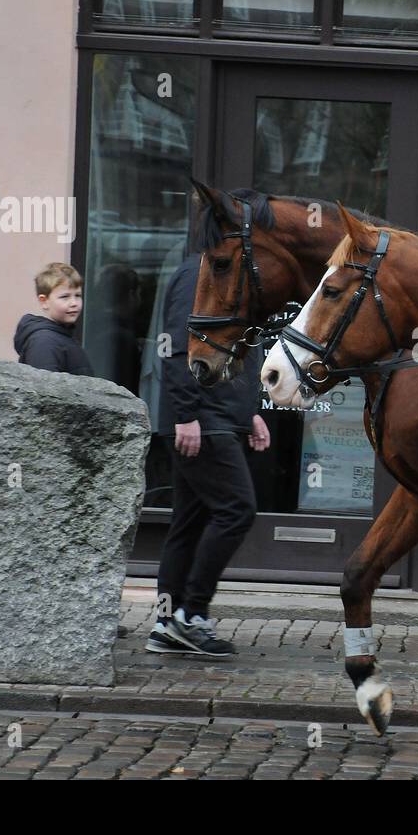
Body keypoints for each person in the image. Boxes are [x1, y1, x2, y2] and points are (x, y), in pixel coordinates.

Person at [146, 250, 272, 658]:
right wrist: (185, 415)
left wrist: (249, 413)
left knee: (188, 522)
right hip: (201, 419)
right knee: (237, 510)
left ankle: (168, 624)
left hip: (219, 418)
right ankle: (191, 614)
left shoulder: (230, 276)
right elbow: (176, 346)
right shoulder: (195, 275)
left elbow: (236, 351)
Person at [13, 262, 95, 376]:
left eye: (77, 295)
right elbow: (45, 390)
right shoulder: (44, 342)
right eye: (65, 297)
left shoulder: (64, 336)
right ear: (44, 301)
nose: (74, 303)